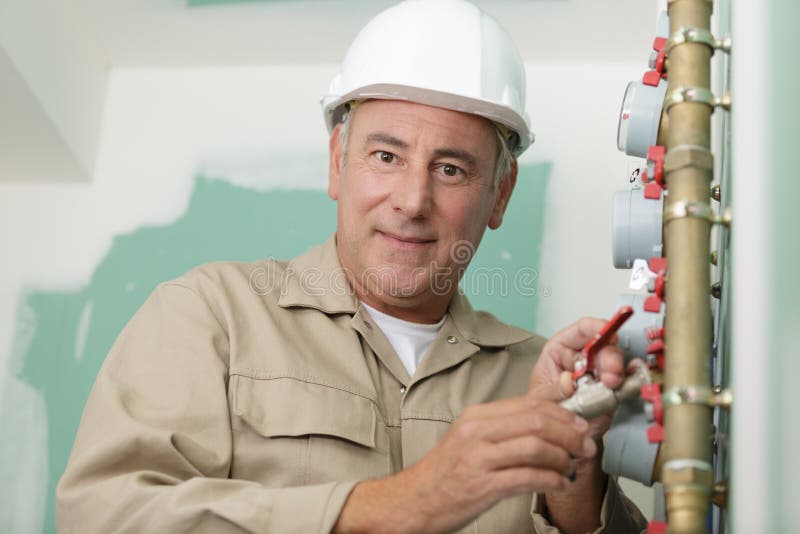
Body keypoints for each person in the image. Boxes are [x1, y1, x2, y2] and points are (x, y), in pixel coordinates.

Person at [57, 1, 647, 532]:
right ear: (338, 163)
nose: (412, 201)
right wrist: (407, 502)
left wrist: (575, 459)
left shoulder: (540, 381)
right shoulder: (211, 315)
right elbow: (102, 516)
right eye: (386, 156)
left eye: (451, 170)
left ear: (499, 194)